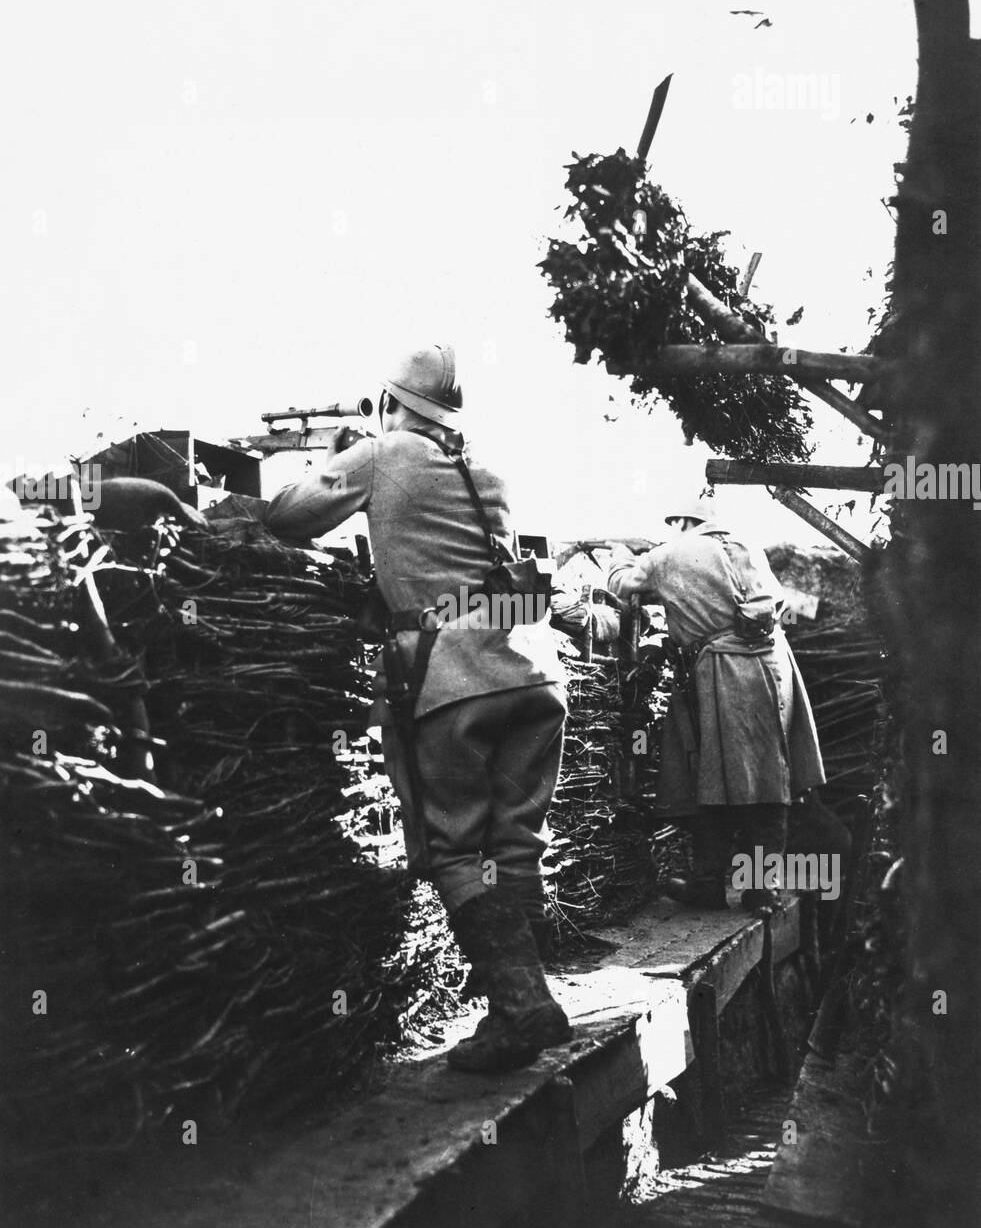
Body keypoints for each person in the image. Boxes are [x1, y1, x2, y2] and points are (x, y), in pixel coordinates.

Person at [265, 344, 572, 1071]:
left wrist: (336, 460)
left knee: (455, 848)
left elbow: (287, 517)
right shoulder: (486, 468)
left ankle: (522, 1009)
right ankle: (524, 1002)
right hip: (530, 672)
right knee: (515, 846)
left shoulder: (382, 453)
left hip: (455, 680)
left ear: (389, 402)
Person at [608, 499, 825, 913]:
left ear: (682, 521)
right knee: (770, 779)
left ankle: (708, 884)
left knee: (712, 776)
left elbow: (621, 584)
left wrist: (622, 555)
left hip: (722, 672)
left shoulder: (669, 554)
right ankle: (762, 889)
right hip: (774, 668)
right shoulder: (746, 545)